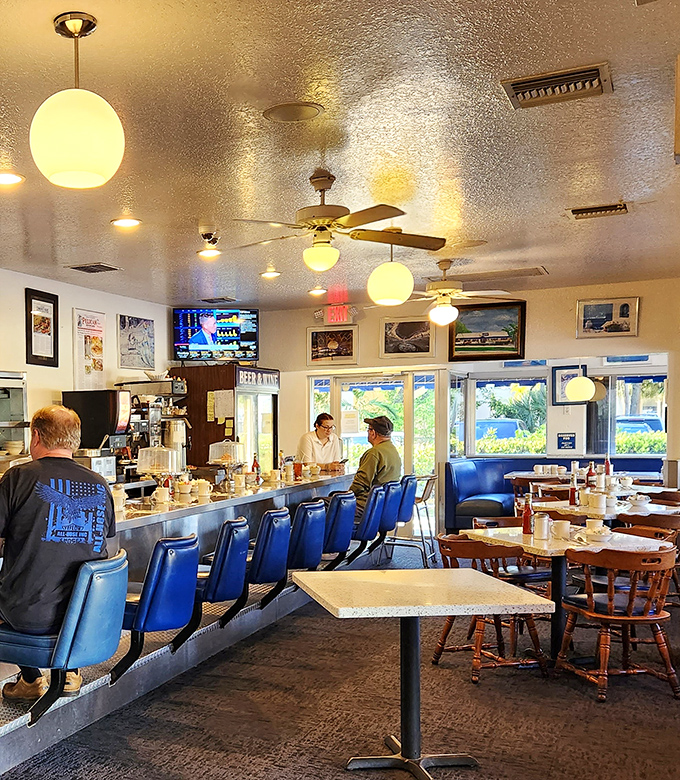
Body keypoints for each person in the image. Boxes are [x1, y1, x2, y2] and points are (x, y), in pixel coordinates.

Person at [0, 405, 116, 702]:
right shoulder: (100, 485)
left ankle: (31, 679)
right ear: (75, 439)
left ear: (36, 436)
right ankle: (69, 673)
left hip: (29, 614)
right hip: (86, 616)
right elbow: (99, 547)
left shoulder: (18, 478)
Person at [349, 416, 401, 518]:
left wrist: (345, 496)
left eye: (368, 430)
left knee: (323, 504)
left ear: (373, 433)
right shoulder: (393, 450)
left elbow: (359, 485)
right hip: (385, 504)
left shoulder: (374, 453)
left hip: (367, 504)